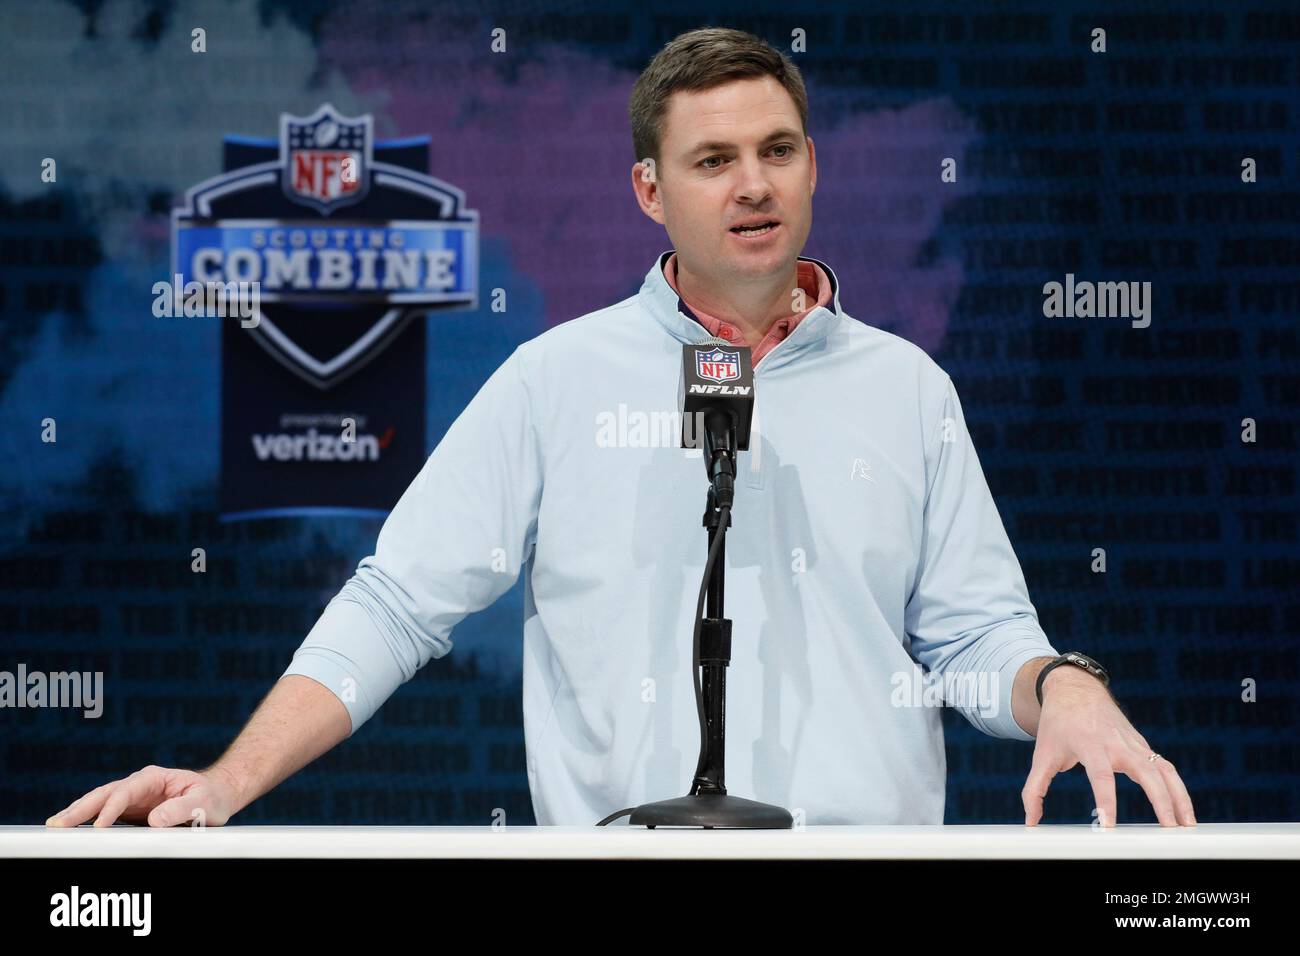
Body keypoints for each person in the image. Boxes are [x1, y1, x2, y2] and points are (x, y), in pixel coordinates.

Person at [47, 27, 1195, 830]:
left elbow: (976, 635)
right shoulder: (554, 380)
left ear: (811, 165)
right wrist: (226, 781)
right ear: (650, 190)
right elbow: (397, 602)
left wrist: (1067, 684)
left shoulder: (907, 390)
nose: (753, 185)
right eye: (713, 160)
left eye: (777, 150)